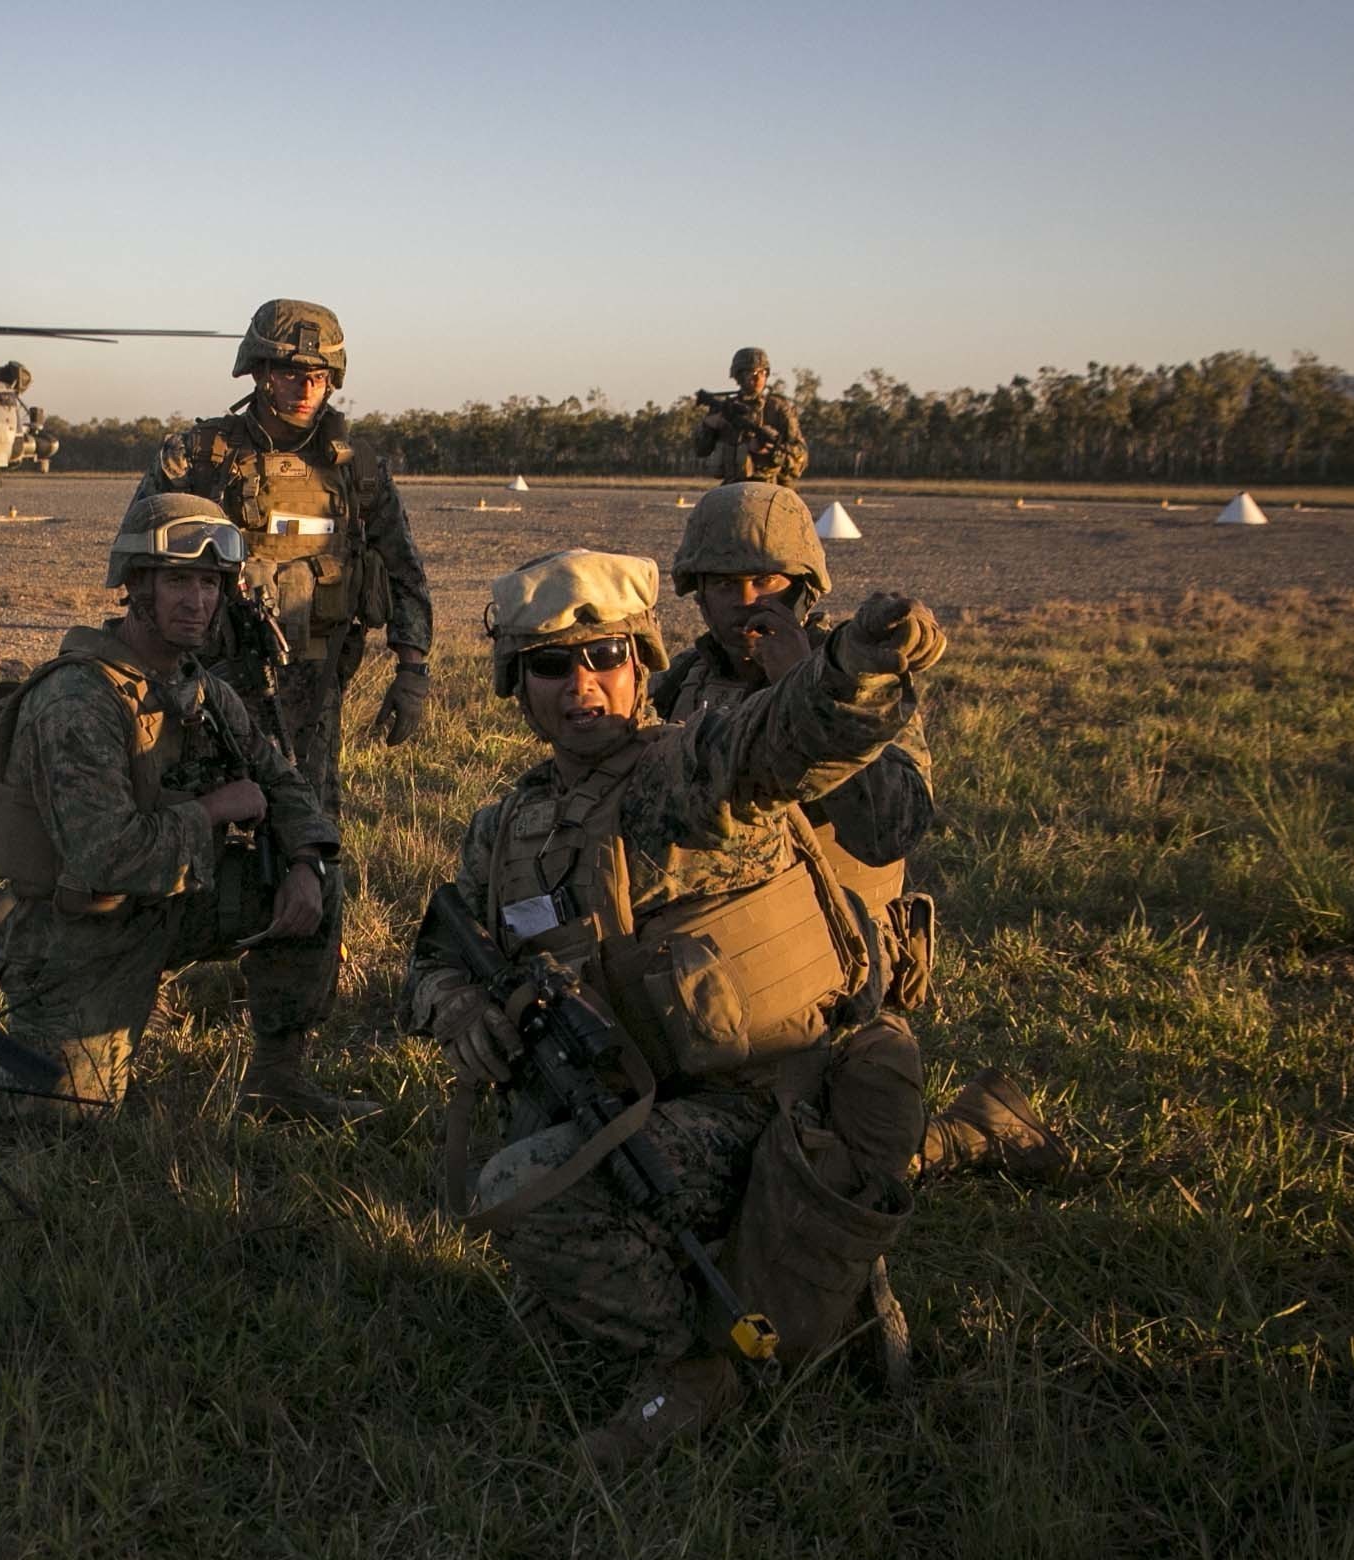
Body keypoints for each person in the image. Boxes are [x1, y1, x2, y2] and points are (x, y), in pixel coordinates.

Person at [403, 545, 946, 1464]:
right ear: (515, 683)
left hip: (767, 1104)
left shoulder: (686, 778)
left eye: (606, 657)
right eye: (550, 666)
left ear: (642, 664)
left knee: (527, 1195)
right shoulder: (505, 829)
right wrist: (463, 1014)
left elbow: (785, 736)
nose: (582, 685)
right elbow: (430, 960)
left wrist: (853, 667)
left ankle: (711, 1354)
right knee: (544, 1197)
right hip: (640, 1096)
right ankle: (778, 1270)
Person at [651, 482, 1068, 1181]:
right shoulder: (683, 683)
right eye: (725, 583)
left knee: (836, 1166)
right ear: (696, 590)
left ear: (805, 589)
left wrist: (812, 698)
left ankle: (976, 1132)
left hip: (834, 972)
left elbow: (888, 829)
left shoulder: (861, 685)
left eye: (768, 581)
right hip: (710, 967)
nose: (749, 600)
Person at [0, 493, 354, 1121]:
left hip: (166, 908)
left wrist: (306, 859)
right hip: (76, 936)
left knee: (321, 882)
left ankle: (279, 1083)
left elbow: (284, 784)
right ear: (135, 586)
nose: (197, 601)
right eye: (177, 581)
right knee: (70, 1108)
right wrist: (214, 810)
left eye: (208, 583)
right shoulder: (80, 701)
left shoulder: (201, 689)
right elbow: (103, 858)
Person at [128, 301, 433, 1118]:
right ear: (255, 372)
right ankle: (111, 1026)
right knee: (157, 850)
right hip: (194, 703)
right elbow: (133, 566)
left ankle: (281, 1070)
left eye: (319, 373)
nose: (303, 386)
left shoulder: (357, 467)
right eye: (287, 370)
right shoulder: (196, 456)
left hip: (310, 710)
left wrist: (413, 668)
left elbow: (404, 571)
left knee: (309, 860)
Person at [693, 347, 809, 487]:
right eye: (752, 372)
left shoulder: (778, 409)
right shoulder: (725, 409)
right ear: (739, 376)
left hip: (772, 488)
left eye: (763, 372)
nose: (758, 377)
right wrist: (708, 426)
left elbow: (801, 459)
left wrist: (771, 452)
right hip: (731, 488)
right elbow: (701, 450)